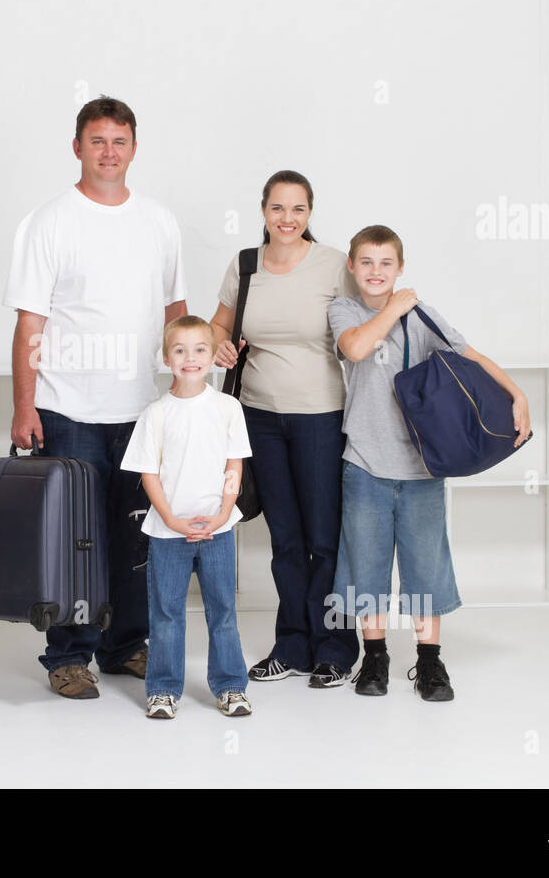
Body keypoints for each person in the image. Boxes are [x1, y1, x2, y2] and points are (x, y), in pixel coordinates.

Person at [3, 95, 187, 699]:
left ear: (135, 147)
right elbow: (30, 325)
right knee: (74, 538)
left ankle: (125, 645)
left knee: (137, 535)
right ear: (77, 146)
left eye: (120, 141)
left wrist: (184, 390)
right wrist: (25, 407)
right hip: (68, 407)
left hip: (140, 409)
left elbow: (175, 313)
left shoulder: (159, 221)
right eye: (97, 140)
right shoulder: (50, 220)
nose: (109, 152)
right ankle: (68, 655)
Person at [328, 225, 531, 701]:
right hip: (364, 464)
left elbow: (471, 356)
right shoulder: (345, 311)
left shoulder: (421, 316)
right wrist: (396, 307)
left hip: (421, 467)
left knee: (426, 567)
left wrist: (517, 393)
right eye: (366, 263)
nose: (375, 272)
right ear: (353, 268)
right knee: (366, 567)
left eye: (385, 263)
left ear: (400, 268)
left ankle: (428, 660)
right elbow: (356, 349)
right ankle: (374, 656)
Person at [209, 170, 361, 688]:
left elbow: (364, 325)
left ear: (310, 212)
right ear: (264, 211)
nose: (287, 219)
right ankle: (292, 643)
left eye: (298, 209)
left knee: (325, 537)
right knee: (286, 539)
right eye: (278, 208)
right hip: (258, 418)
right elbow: (216, 326)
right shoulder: (245, 265)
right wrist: (220, 344)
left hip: (321, 416)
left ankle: (336, 647)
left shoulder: (334, 266)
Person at [121, 316, 254, 718]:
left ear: (214, 356)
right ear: (166, 358)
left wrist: (222, 513)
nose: (190, 358)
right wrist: (173, 521)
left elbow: (235, 465)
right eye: (180, 350)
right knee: (166, 613)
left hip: (218, 530)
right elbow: (149, 474)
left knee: (222, 610)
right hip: (168, 534)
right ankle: (163, 689)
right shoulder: (156, 414)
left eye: (200, 350)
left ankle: (230, 686)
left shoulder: (228, 408)